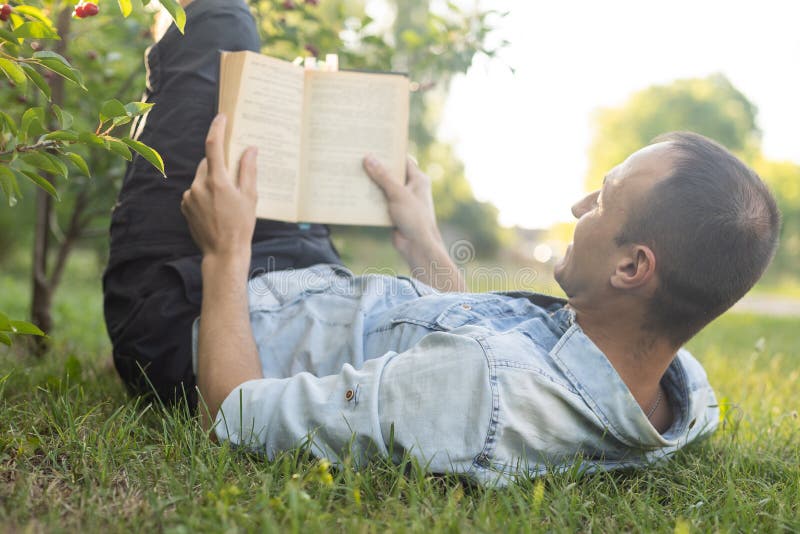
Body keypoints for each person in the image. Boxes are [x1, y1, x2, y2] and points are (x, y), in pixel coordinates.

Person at [105, 0, 781, 485]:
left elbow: (237, 416)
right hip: (303, 283)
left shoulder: (477, 394)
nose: (579, 207)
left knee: (220, 23)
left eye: (602, 201)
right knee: (273, 92)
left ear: (635, 266)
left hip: (194, 316)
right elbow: (493, 350)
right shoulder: (682, 392)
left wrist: (225, 253)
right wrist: (423, 239)